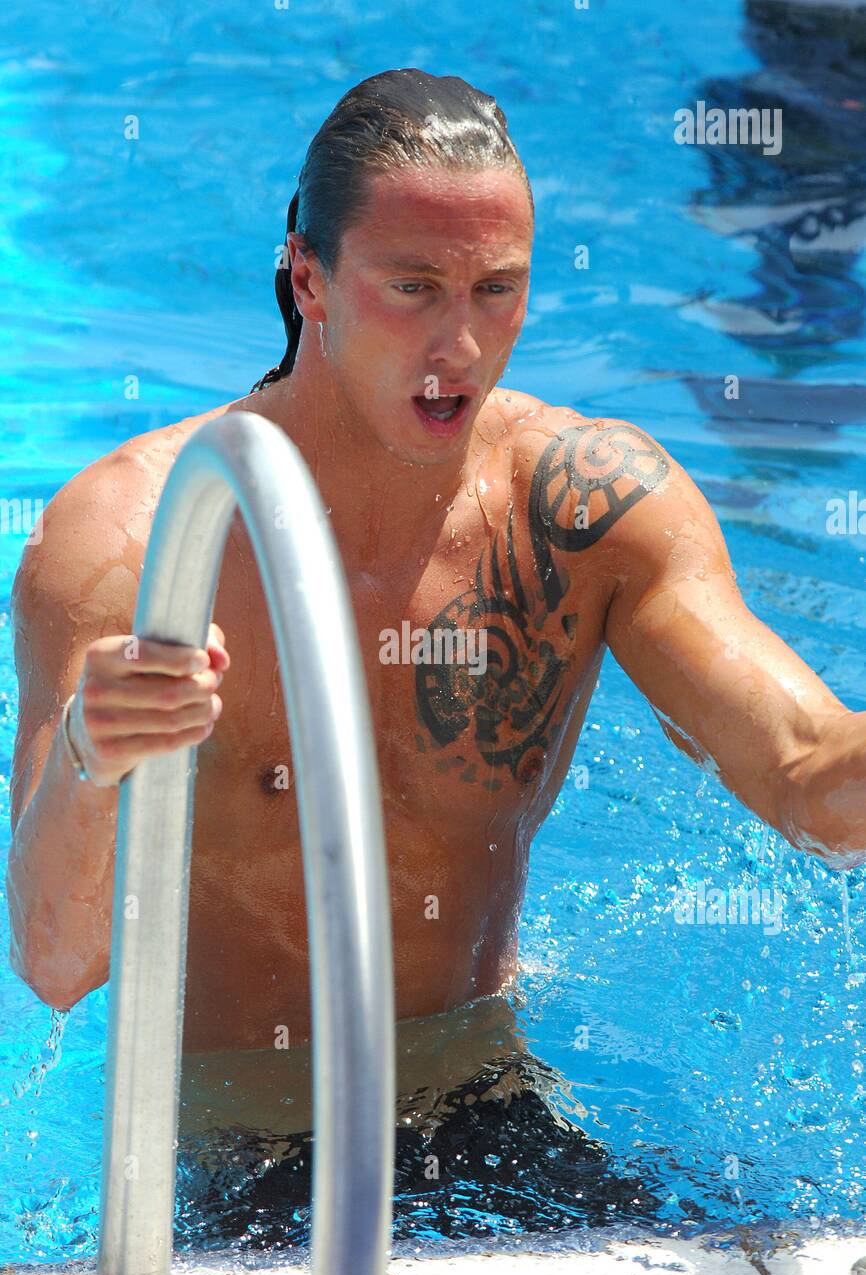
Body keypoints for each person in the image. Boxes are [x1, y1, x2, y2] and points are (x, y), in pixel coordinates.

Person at [6, 71, 865, 1191]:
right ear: (307, 275)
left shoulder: (587, 509)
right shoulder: (136, 538)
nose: (458, 341)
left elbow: (802, 773)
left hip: (490, 1099)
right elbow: (53, 960)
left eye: (495, 289)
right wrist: (91, 752)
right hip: (232, 1146)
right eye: (412, 288)